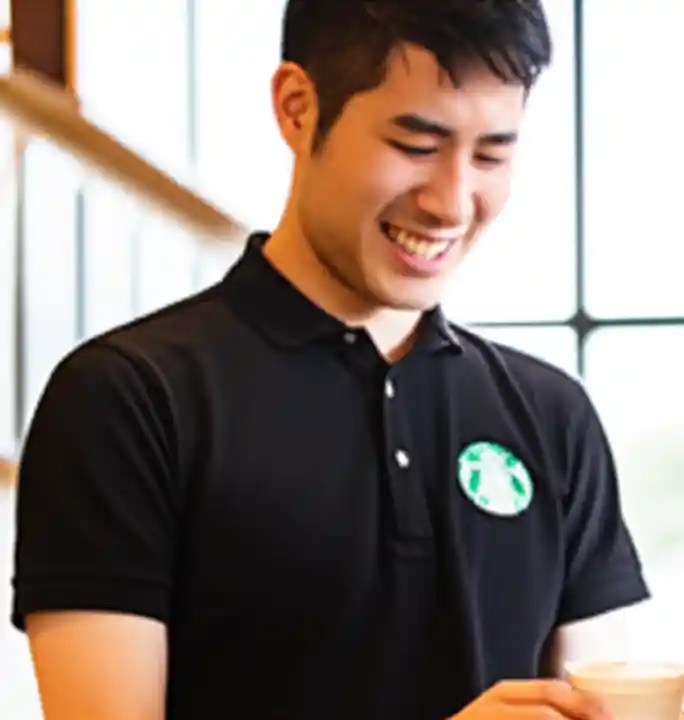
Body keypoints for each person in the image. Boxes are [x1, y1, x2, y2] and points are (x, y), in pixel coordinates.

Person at [9, 2, 649, 719]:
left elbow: (601, 704)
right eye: (416, 144)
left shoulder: (552, 416)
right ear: (296, 107)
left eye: (492, 154)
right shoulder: (128, 400)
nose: (452, 202)